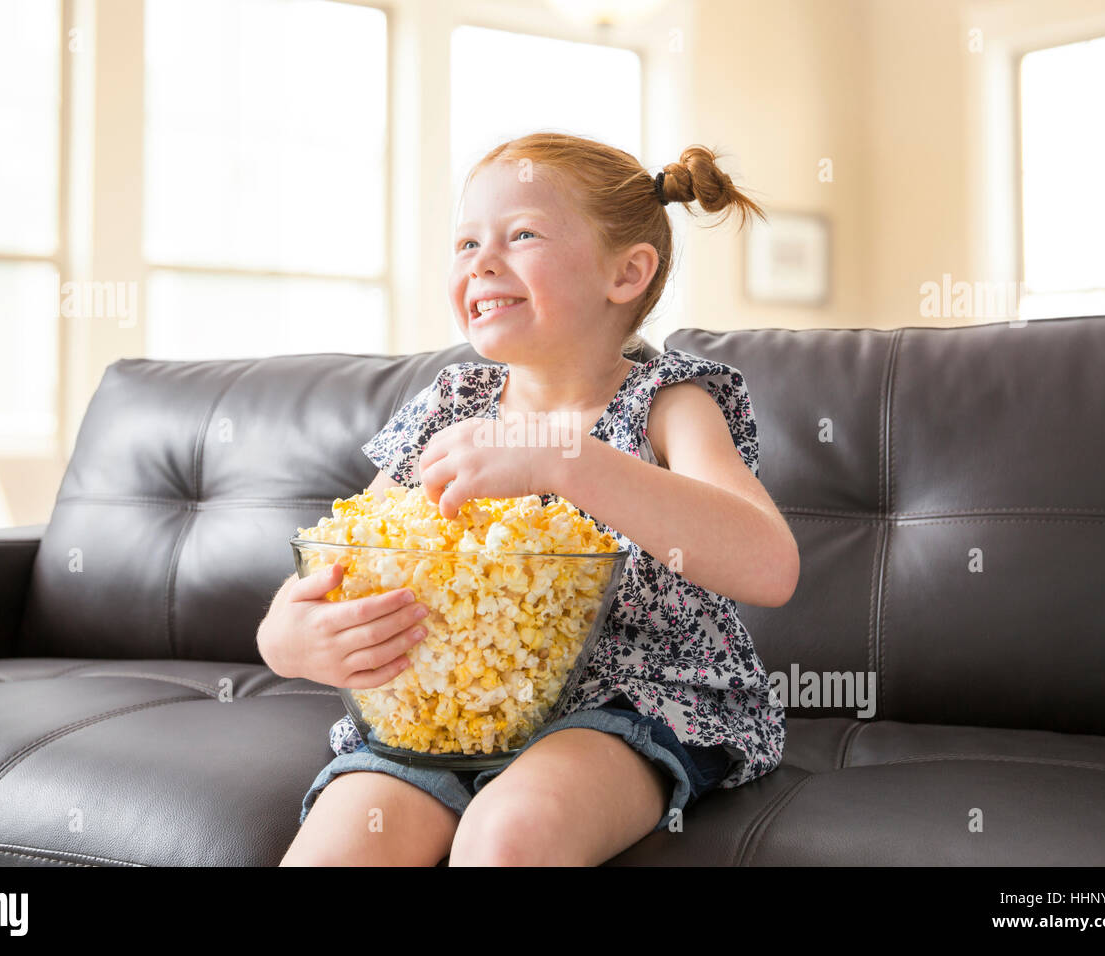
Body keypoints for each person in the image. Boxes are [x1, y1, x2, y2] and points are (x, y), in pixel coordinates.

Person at [258, 132, 799, 866]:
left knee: (508, 836)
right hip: (444, 711)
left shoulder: (667, 402)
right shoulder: (450, 406)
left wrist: (566, 460)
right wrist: (285, 640)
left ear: (626, 273)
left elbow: (769, 566)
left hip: (632, 704)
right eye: (465, 242)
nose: (481, 260)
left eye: (521, 236)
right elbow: (356, 550)